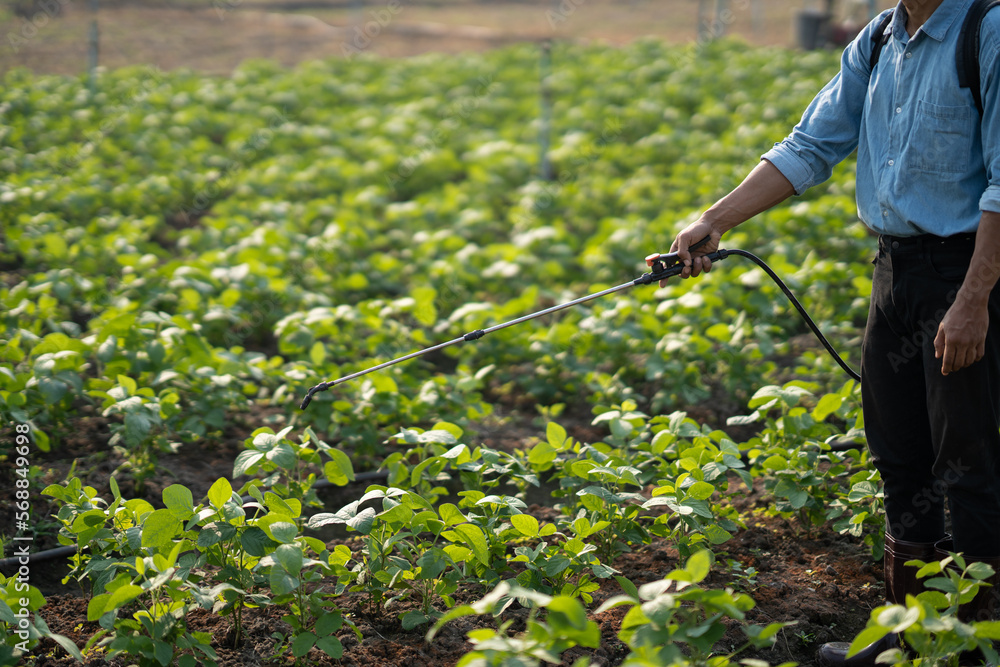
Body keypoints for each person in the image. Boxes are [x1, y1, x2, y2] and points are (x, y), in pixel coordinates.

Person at [658, 1, 1000, 664]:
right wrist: (717, 218)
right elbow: (810, 146)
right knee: (901, 460)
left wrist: (975, 299)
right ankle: (911, 638)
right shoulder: (876, 41)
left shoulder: (986, 32)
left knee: (969, 467)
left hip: (969, 274)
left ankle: (974, 648)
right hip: (895, 271)